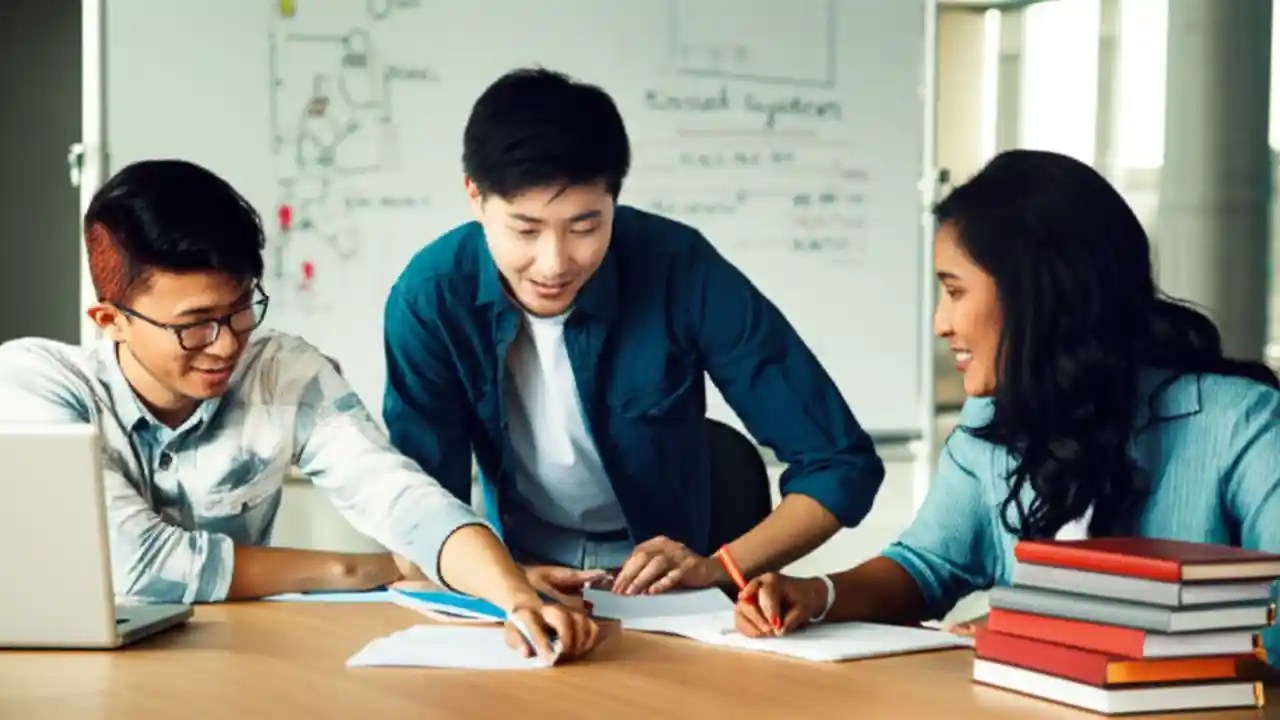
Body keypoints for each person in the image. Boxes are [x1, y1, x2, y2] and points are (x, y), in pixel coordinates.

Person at [0, 159, 598, 659]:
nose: (227, 344)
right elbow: (137, 565)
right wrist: (373, 569)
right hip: (67, 673)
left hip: (235, 663)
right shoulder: (35, 385)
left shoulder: (283, 372)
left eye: (240, 308)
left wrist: (506, 590)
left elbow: (400, 496)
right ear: (110, 321)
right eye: (194, 325)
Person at [731, 149, 1280, 666]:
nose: (941, 323)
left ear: (1036, 293)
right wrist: (819, 594)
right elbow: (927, 565)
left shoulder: (1244, 424)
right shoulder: (993, 421)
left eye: (955, 292)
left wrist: (1047, 634)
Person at [383, 67, 885, 597]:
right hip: (514, 566)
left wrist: (720, 569)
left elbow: (839, 463)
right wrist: (503, 581)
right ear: (475, 198)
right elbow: (417, 516)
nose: (554, 264)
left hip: (666, 583)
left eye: (585, 227)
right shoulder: (431, 296)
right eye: (525, 230)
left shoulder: (679, 267)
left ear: (614, 202)